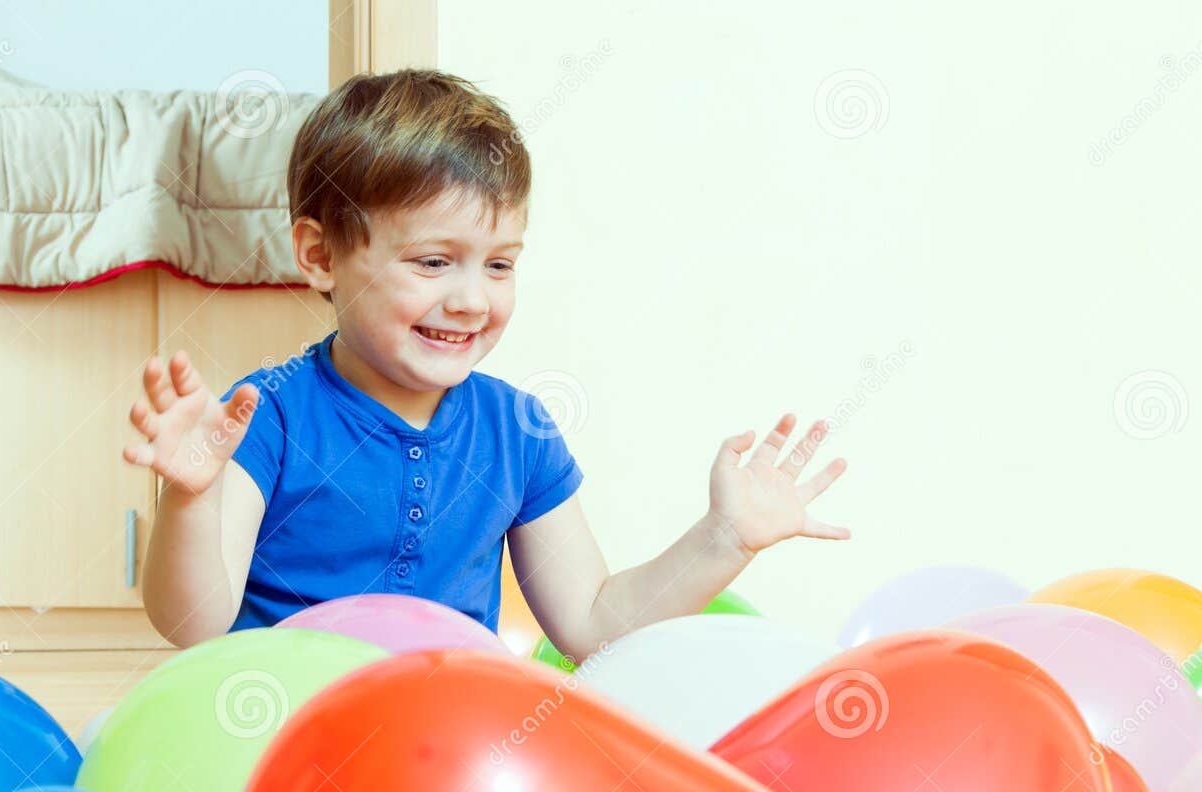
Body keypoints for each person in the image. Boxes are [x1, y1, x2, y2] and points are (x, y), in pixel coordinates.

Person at [127, 70, 848, 662]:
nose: (472, 300)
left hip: (444, 755)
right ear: (320, 256)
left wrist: (724, 539)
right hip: (285, 745)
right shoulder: (269, 414)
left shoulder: (518, 431)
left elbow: (595, 624)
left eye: (500, 264)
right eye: (434, 261)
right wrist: (190, 498)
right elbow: (195, 624)